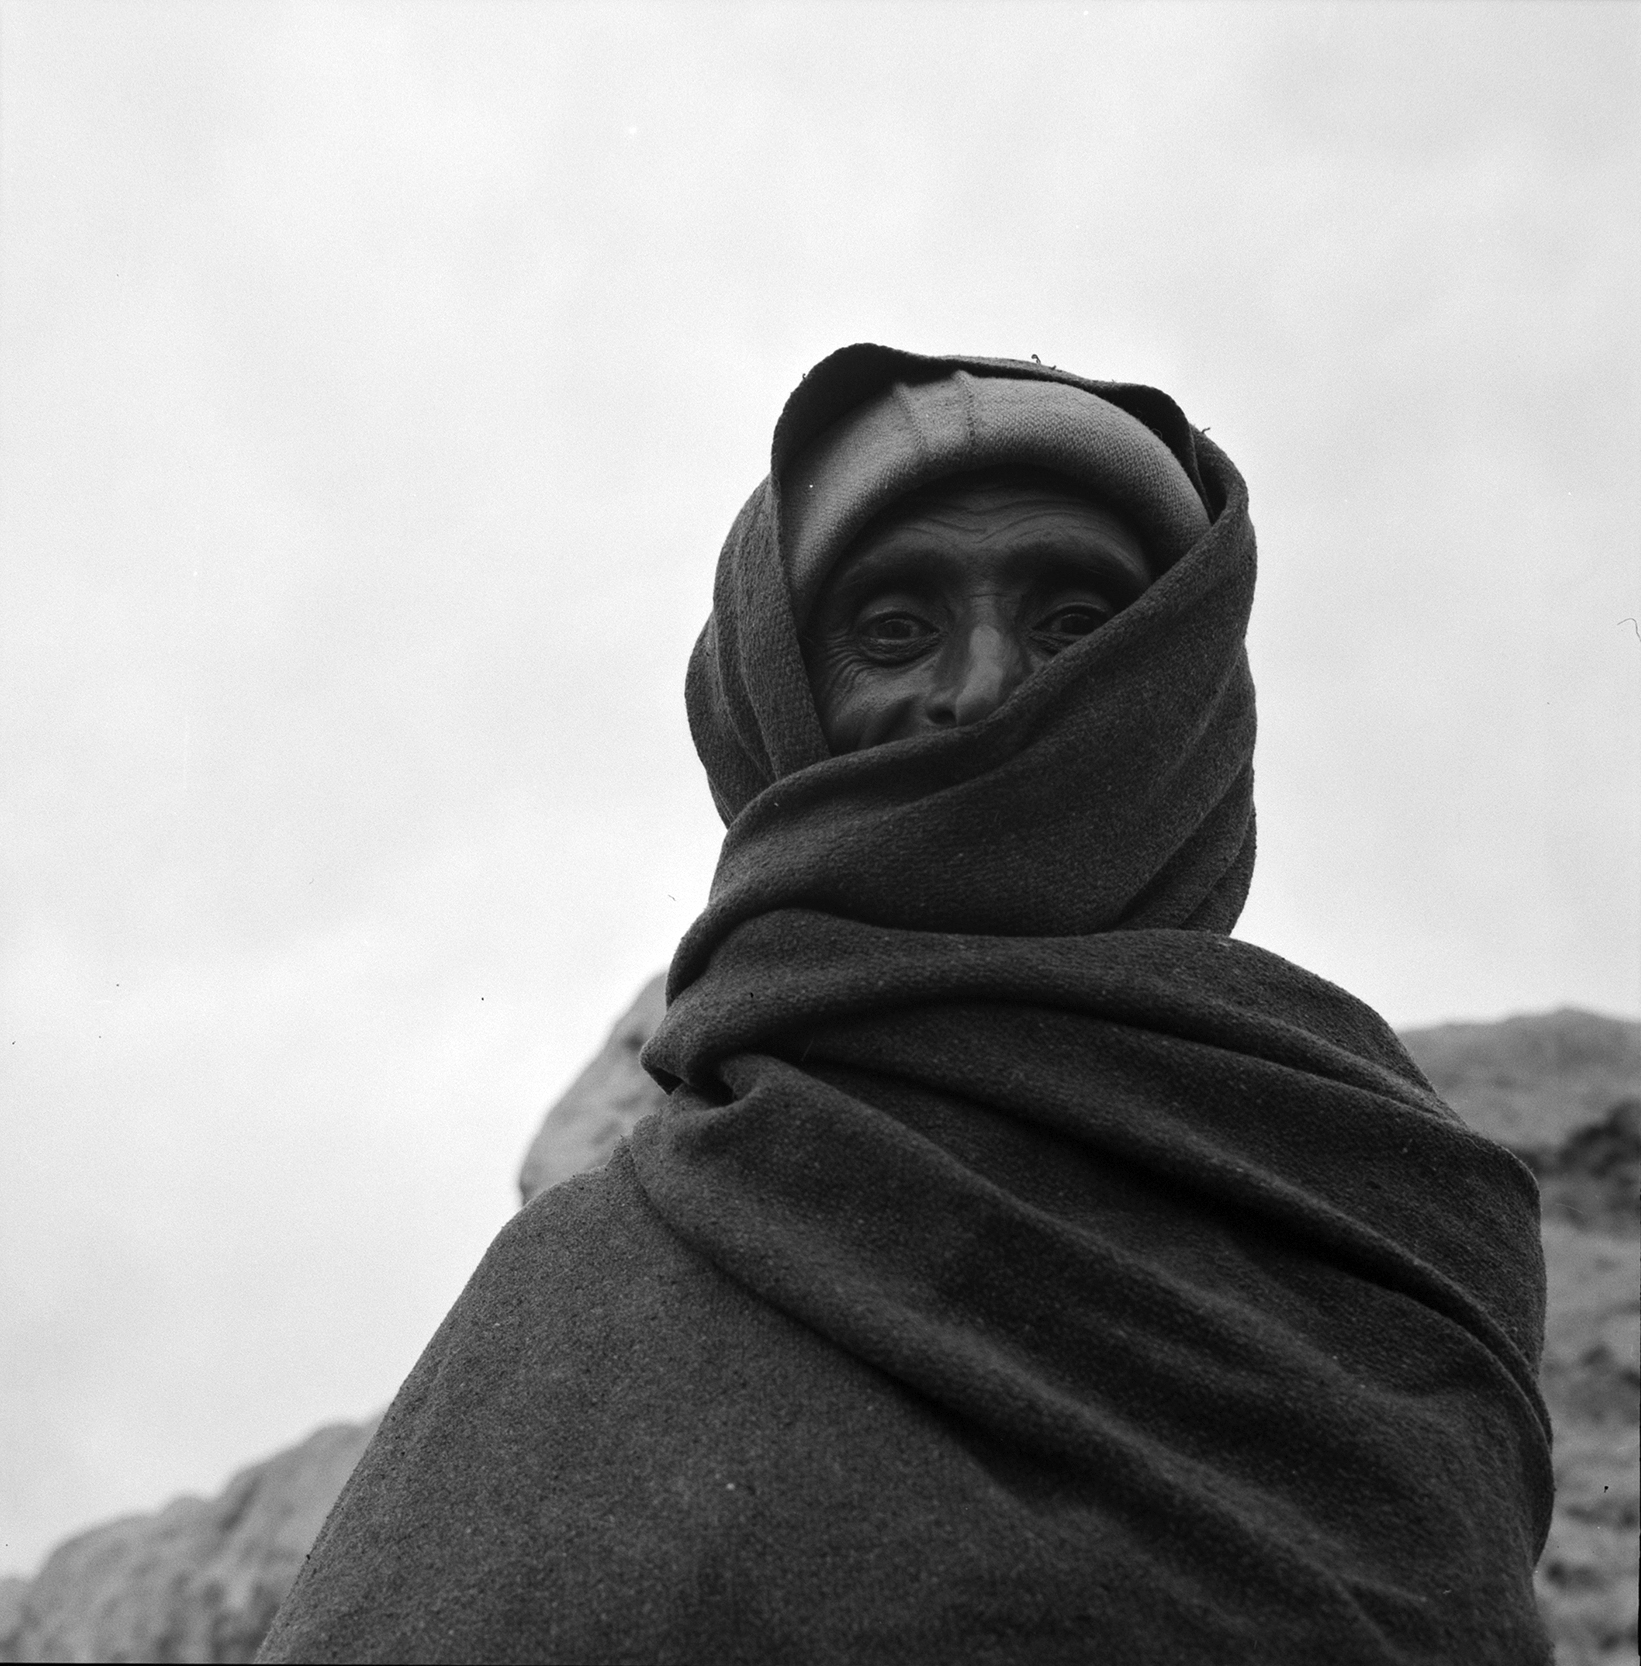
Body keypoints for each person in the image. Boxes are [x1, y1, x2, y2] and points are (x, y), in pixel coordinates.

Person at [258, 345, 1553, 1665]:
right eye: (891, 630)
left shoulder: (1395, 1203)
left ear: (1185, 687)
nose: (985, 682)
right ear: (774, 703)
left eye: (1076, 621)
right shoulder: (604, 1286)